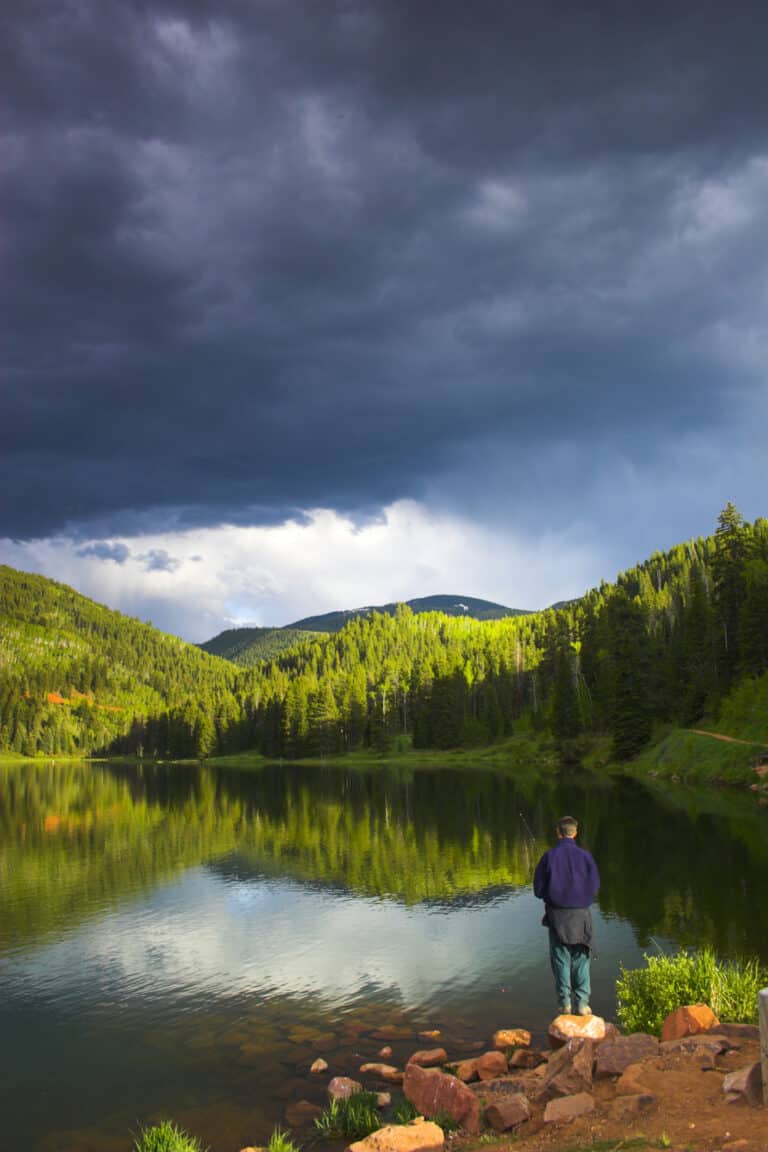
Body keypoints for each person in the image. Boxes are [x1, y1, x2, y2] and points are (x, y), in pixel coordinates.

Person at [533, 815, 600, 1017]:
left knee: (560, 959)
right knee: (581, 958)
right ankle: (582, 1004)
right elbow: (595, 886)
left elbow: (538, 890)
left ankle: (564, 1004)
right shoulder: (586, 857)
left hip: (557, 915)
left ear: (558, 832)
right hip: (582, 915)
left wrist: (552, 895)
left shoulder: (549, 857)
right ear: (575, 833)